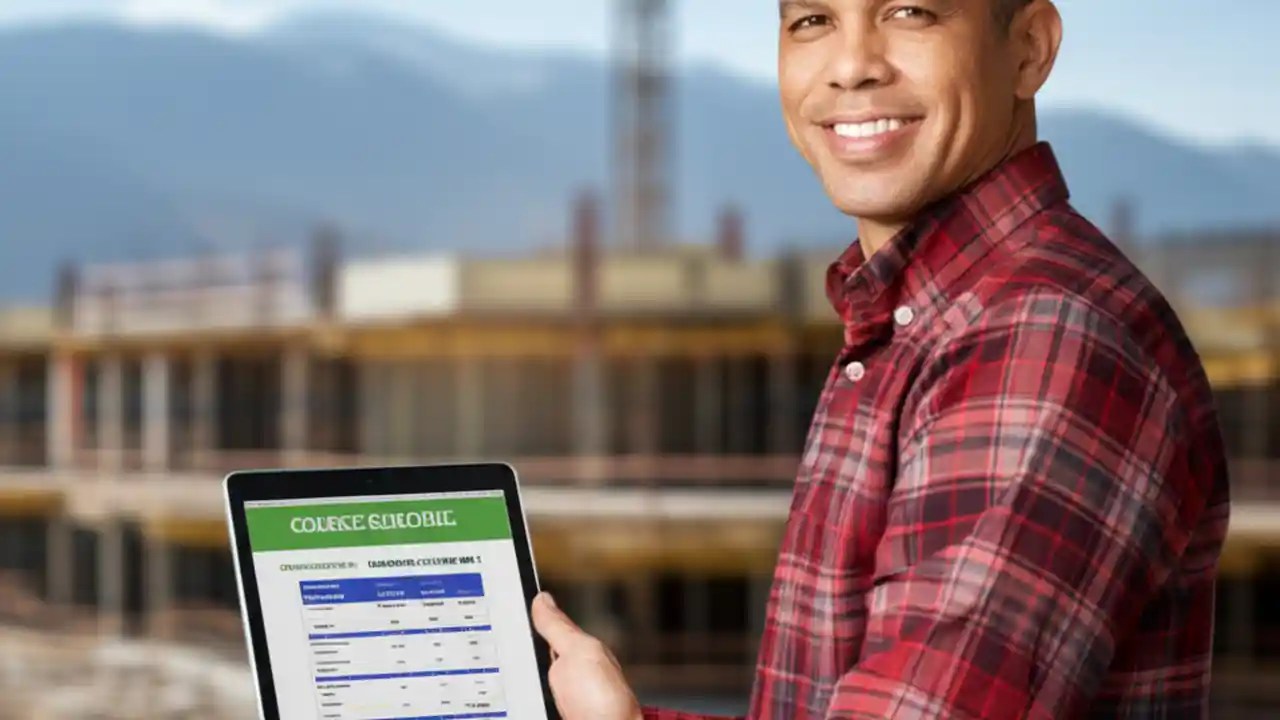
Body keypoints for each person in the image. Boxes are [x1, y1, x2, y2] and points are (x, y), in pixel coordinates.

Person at [532, 0, 1231, 717]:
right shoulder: (920, 321)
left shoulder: (1041, 332)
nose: (852, 65)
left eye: (910, 12)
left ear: (1028, 49)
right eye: (812, 21)